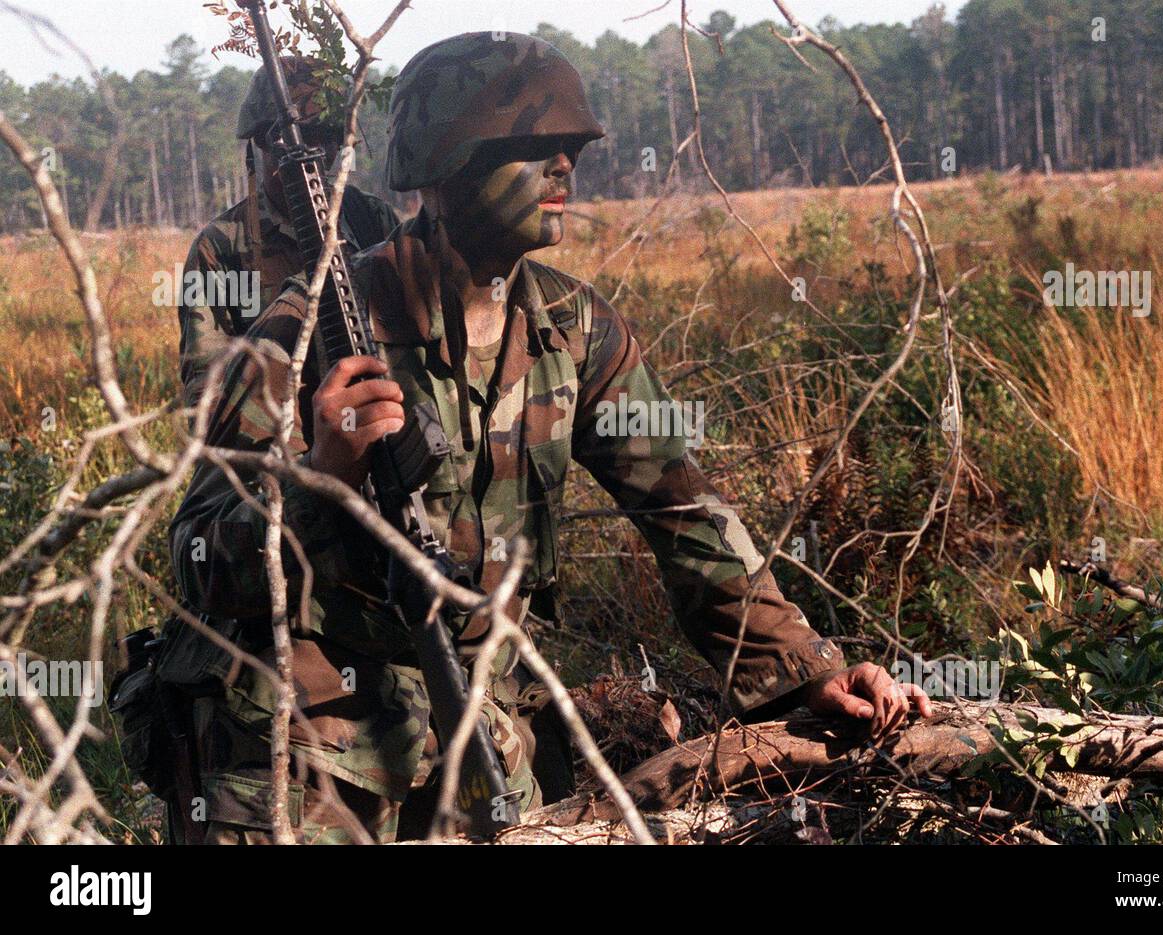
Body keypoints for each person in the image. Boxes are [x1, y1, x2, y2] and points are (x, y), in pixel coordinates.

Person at [167, 32, 931, 844]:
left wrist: (806, 669)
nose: (566, 167)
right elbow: (197, 560)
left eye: (571, 147)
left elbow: (684, 514)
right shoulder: (307, 328)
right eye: (535, 148)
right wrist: (322, 474)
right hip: (302, 756)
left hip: (474, 735)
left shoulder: (574, 328)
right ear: (446, 163)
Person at [177, 55, 399, 410]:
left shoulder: (370, 219)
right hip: (279, 443)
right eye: (290, 138)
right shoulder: (222, 247)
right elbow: (206, 390)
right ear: (261, 144)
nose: (311, 153)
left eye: (326, 137)